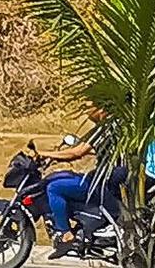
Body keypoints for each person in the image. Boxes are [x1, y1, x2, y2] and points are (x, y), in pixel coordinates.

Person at [41, 104, 106, 257]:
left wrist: (45, 153)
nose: (87, 110)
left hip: (101, 182)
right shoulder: (118, 127)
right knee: (70, 177)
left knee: (54, 187)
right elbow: (89, 149)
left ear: (101, 109)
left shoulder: (103, 128)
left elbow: (76, 152)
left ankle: (66, 234)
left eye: (90, 106)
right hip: (106, 179)